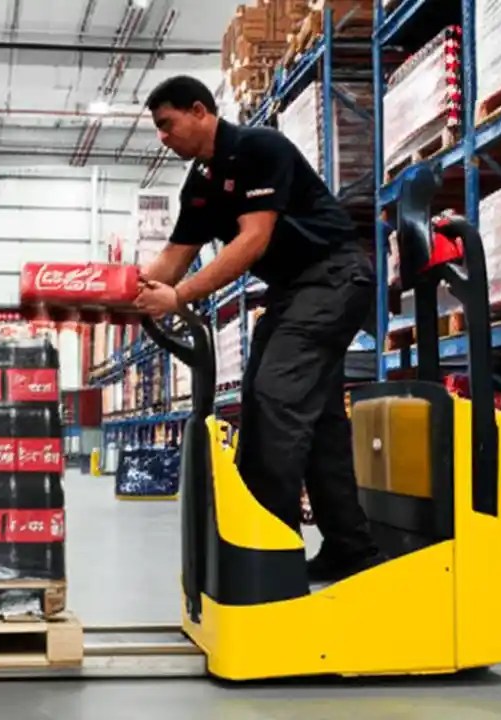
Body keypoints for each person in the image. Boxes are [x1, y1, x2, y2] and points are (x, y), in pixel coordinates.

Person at [133, 75, 383, 583]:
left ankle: (270, 554)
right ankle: (350, 549)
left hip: (335, 276)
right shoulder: (200, 184)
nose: (162, 137)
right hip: (295, 292)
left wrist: (178, 298)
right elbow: (175, 257)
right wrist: (123, 294)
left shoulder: (257, 148)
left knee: (274, 399)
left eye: (167, 125)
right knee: (313, 418)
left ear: (199, 111)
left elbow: (253, 240)